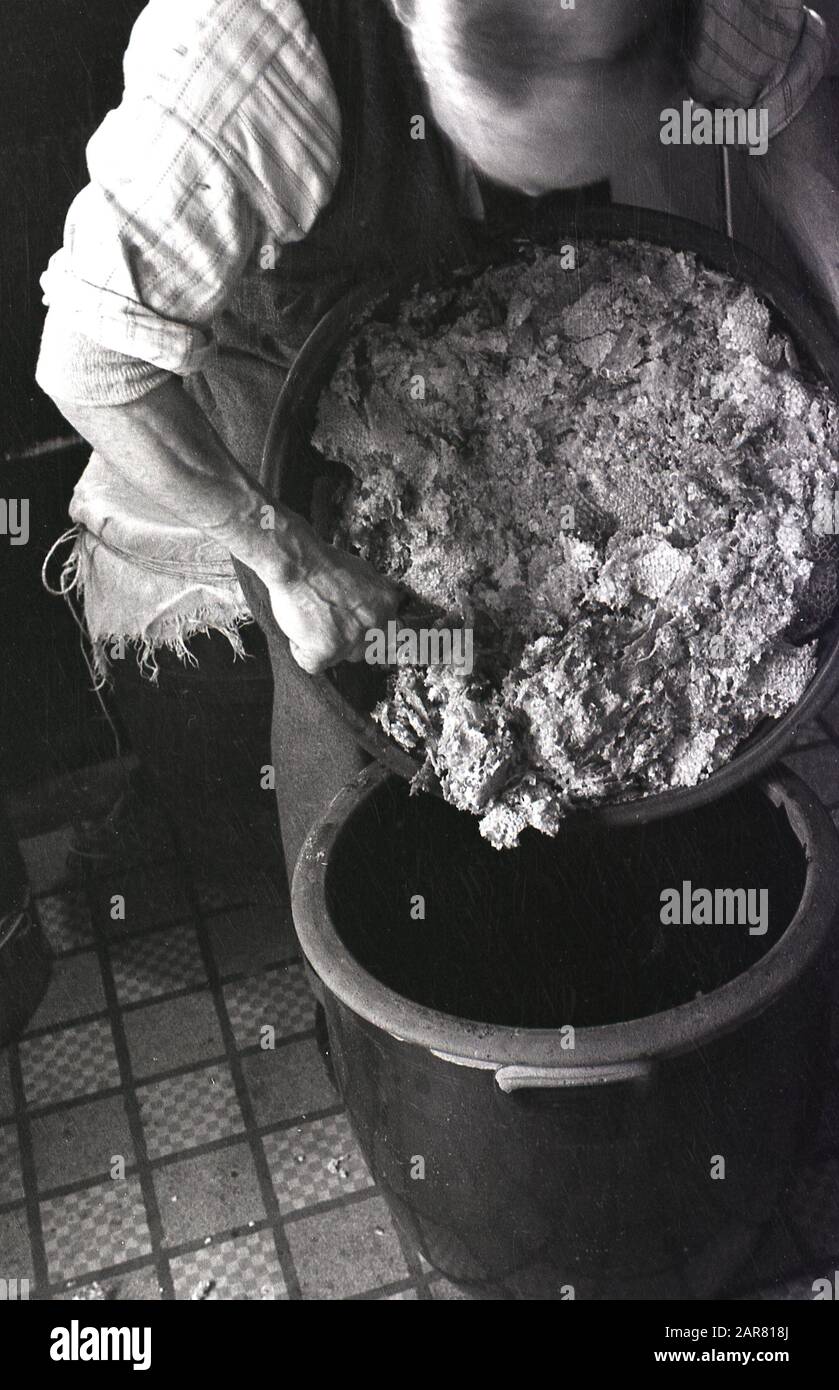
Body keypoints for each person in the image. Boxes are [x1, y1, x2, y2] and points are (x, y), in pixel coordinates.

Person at [36, 0, 838, 872]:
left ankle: (620, 906)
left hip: (523, 332)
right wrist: (289, 560)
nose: (536, 189)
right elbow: (90, 367)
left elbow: (781, 94)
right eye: (517, 164)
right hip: (291, 356)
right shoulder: (248, 59)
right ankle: (369, 984)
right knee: (337, 685)